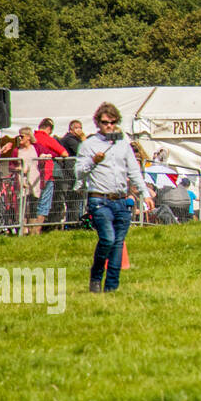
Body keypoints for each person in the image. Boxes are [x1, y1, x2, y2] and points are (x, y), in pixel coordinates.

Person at [75, 102, 152, 293]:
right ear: (97, 123)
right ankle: (96, 276)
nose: (109, 126)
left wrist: (145, 194)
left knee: (118, 244)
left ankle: (111, 288)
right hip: (99, 200)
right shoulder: (89, 145)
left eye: (112, 122)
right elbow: (78, 172)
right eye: (105, 122)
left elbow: (134, 171)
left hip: (120, 200)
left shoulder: (123, 145)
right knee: (108, 239)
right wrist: (93, 161)